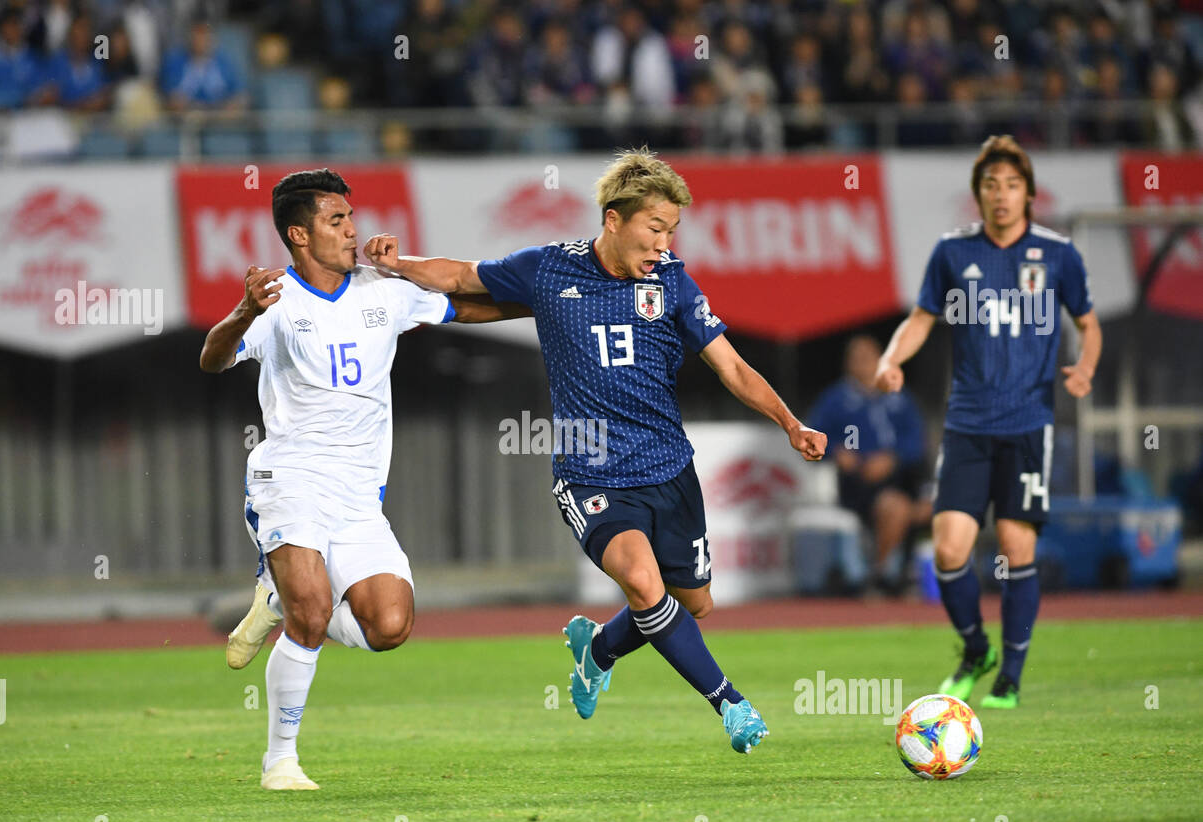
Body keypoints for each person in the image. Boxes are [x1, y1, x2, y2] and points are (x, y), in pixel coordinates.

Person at [363, 149, 826, 754]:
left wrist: (790, 423)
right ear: (614, 220)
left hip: (669, 468)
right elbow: (461, 275)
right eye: (655, 228)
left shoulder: (673, 283)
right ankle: (731, 705)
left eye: (672, 231)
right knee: (642, 583)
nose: (664, 244)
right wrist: (398, 266)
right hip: (591, 471)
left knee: (695, 603)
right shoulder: (550, 270)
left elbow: (732, 367)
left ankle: (598, 647)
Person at [199, 169, 522, 789]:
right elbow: (212, 359)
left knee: (390, 626)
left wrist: (548, 303)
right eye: (336, 220)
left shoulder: (382, 289)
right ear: (299, 234)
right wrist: (242, 311)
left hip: (358, 490)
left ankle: (277, 601)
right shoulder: (274, 303)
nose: (353, 230)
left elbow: (470, 304)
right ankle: (280, 761)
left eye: (351, 217)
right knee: (314, 613)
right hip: (291, 475)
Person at [875, 135, 1102, 708]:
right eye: (990, 185)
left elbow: (1089, 324)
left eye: (1012, 185)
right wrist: (890, 358)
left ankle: (1012, 675)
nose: (1001, 195)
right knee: (950, 549)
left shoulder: (1057, 254)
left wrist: (1084, 367)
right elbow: (922, 318)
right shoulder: (953, 253)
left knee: (1014, 543)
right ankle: (977, 649)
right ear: (977, 195)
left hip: (1028, 424)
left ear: (1028, 194)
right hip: (968, 425)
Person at [808, 333, 930, 593]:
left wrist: (892, 458)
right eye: (857, 358)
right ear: (848, 364)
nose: (864, 364)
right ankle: (885, 573)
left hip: (903, 477)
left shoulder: (898, 396)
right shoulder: (836, 400)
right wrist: (837, 453)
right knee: (895, 507)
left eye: (869, 357)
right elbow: (811, 438)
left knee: (940, 507)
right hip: (858, 483)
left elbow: (917, 441)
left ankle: (943, 578)